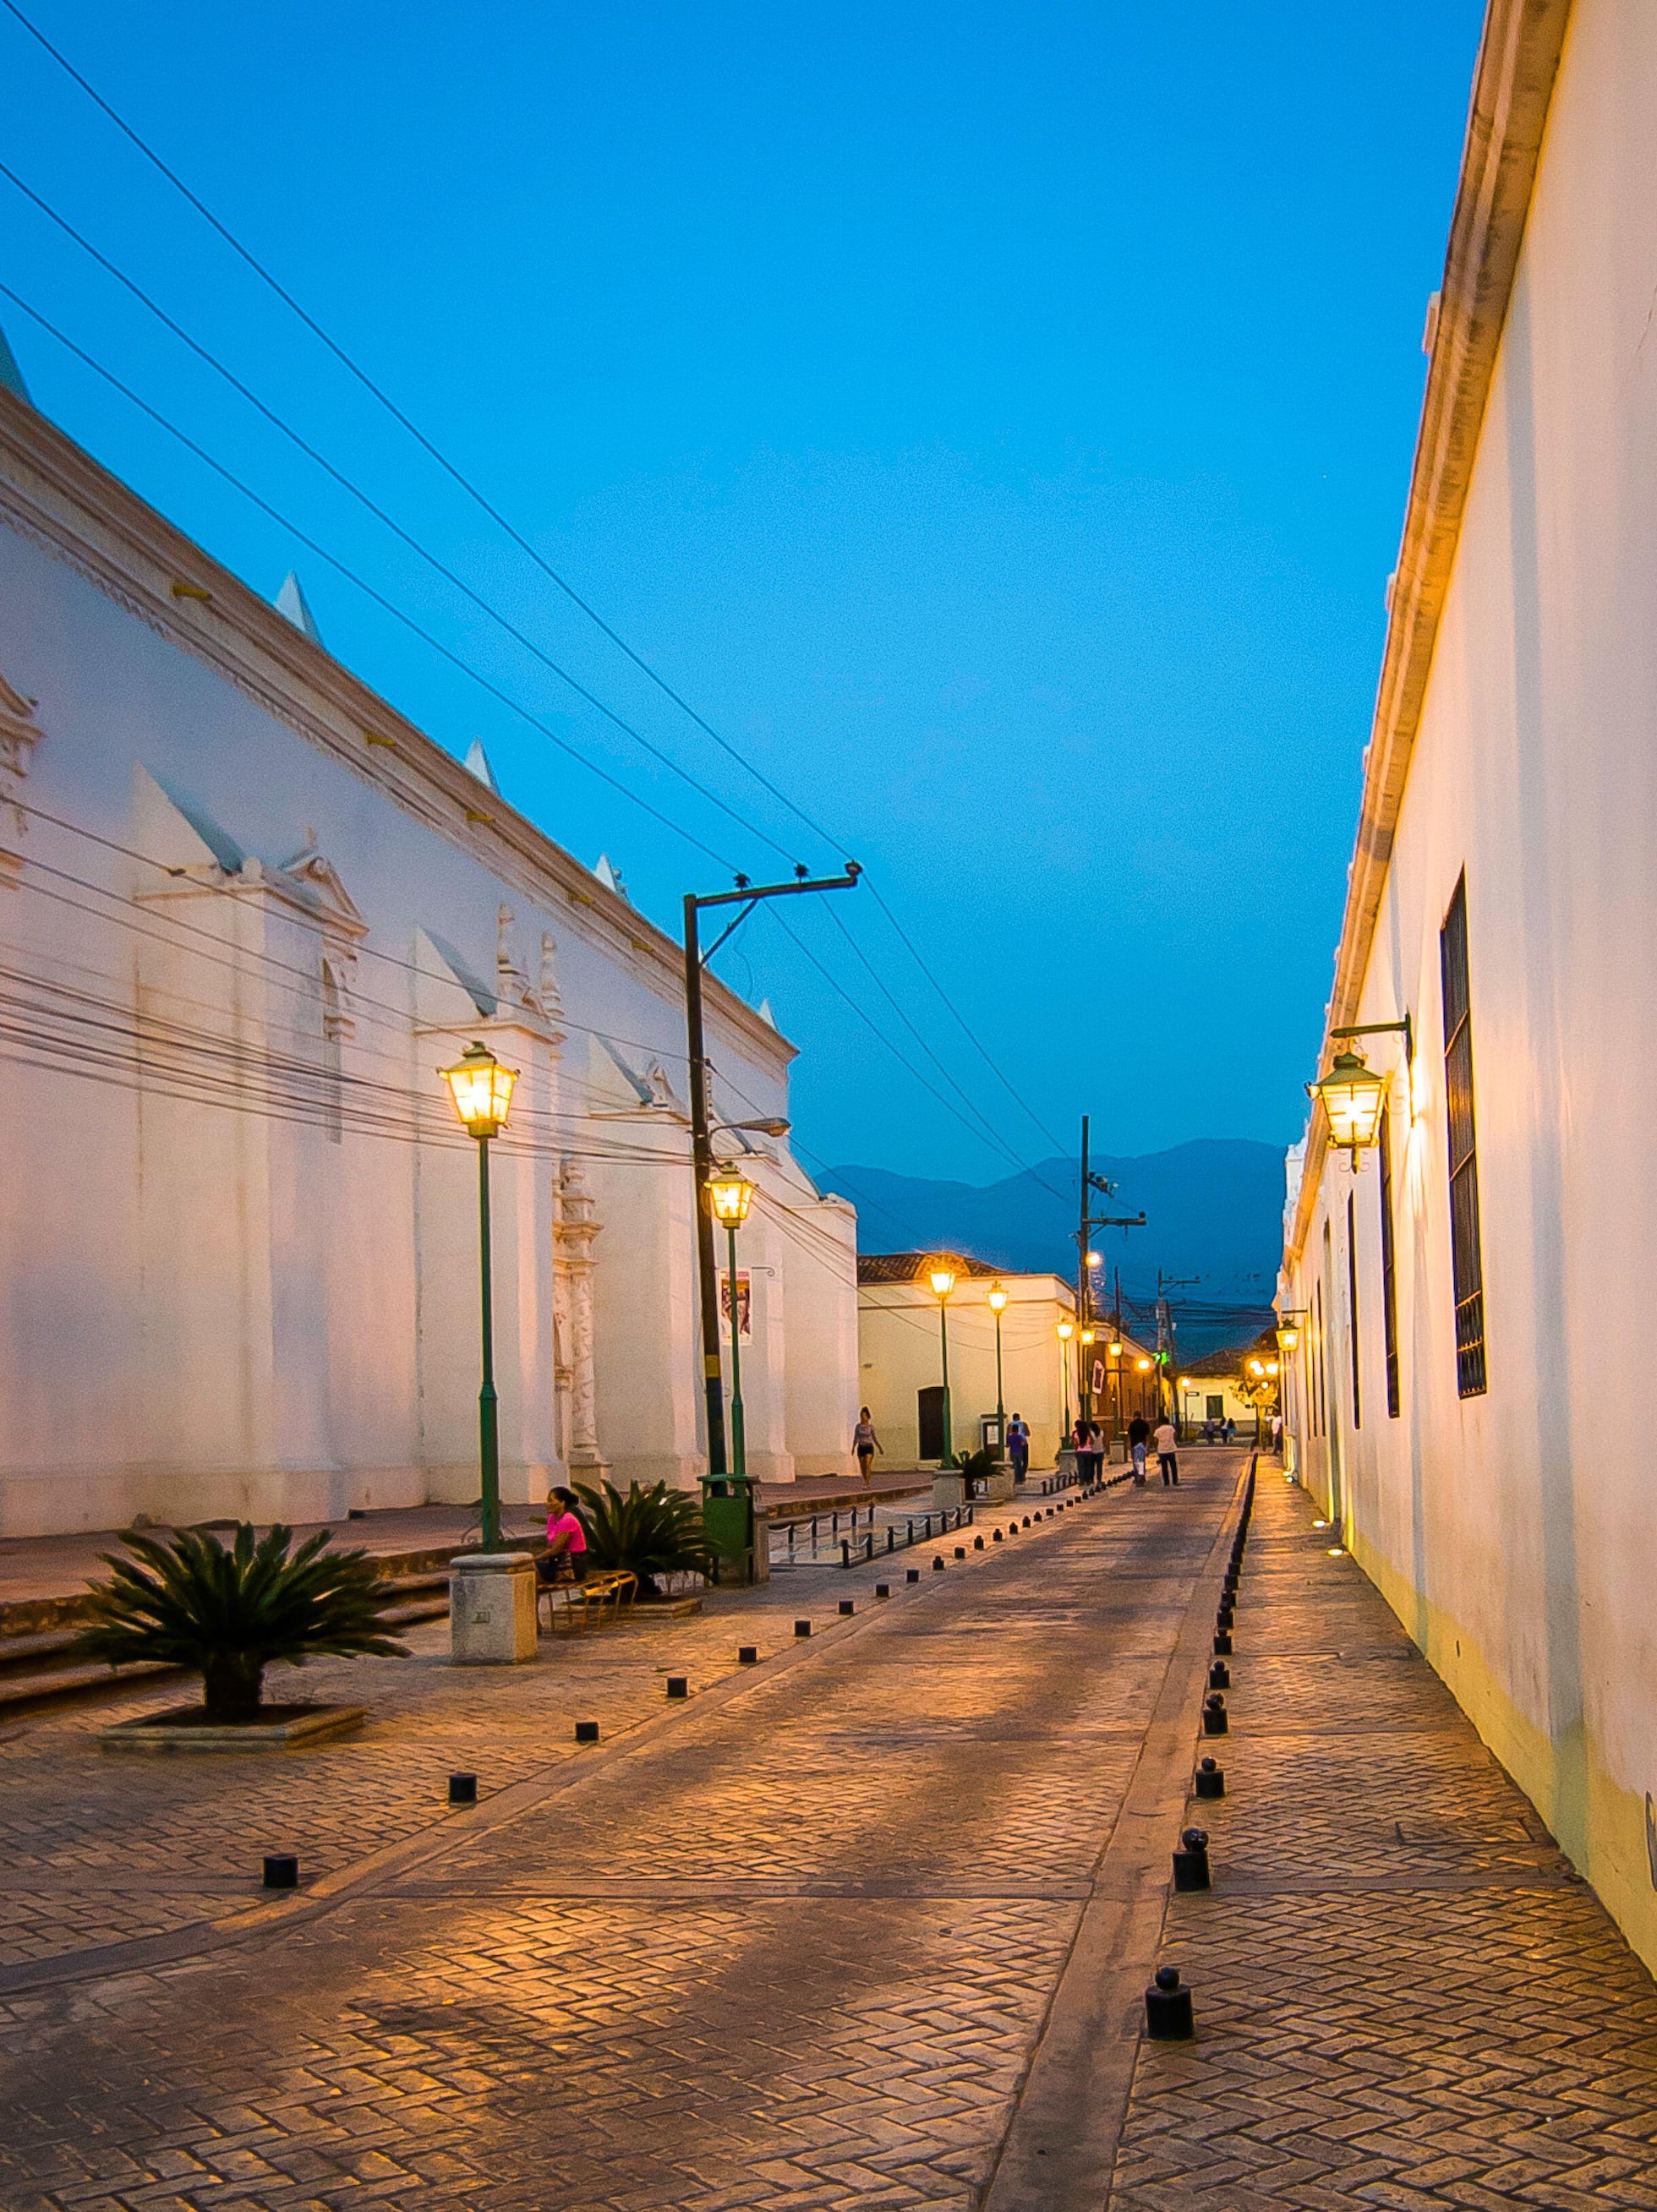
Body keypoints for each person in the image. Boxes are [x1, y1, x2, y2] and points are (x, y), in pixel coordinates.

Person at [542, 1486, 588, 1583]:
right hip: (557, 1561)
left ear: (562, 1503)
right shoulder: (552, 1518)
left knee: (532, 1568)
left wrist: (532, 1559)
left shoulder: (568, 1520)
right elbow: (551, 1545)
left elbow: (556, 1549)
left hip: (572, 1565)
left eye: (551, 1500)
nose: (547, 1503)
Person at [852, 1408, 881, 1483]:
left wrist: (879, 1447)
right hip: (861, 1447)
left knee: (867, 1464)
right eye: (861, 1416)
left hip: (869, 1447)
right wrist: (853, 1447)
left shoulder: (871, 1427)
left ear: (867, 1417)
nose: (862, 1418)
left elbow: (874, 1438)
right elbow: (856, 1437)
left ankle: (867, 1482)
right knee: (863, 1466)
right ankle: (865, 1479)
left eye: (864, 1416)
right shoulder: (858, 1426)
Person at [1154, 1416, 1179, 1487]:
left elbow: (1156, 1439)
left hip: (1162, 1450)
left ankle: (1166, 1482)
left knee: (1164, 1468)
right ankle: (1175, 1481)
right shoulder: (1171, 1428)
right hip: (1171, 1449)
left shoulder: (1158, 1430)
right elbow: (1175, 1435)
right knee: (1173, 1466)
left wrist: (1157, 1449)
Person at [1128, 1412, 1151, 1485]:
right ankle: (1141, 1476)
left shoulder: (1132, 1424)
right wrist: (1147, 1445)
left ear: (1134, 1416)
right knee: (1141, 1461)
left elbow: (1129, 1435)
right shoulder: (1145, 1424)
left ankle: (1138, 1477)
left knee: (1135, 1462)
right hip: (1142, 1444)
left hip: (1134, 1444)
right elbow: (1147, 1436)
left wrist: (1129, 1445)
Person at [1007, 1413, 1030, 1483]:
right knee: (1024, 1461)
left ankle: (1016, 1477)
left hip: (1013, 1447)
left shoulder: (1010, 1425)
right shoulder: (1023, 1424)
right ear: (1019, 1418)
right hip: (1023, 1444)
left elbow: (1007, 1435)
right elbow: (1028, 1434)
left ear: (1013, 1418)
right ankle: (1023, 1476)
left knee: (1014, 1463)